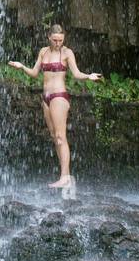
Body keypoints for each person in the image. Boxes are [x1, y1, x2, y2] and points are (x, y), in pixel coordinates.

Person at [8, 24, 102, 188]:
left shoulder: (67, 53)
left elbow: (76, 73)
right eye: (55, 40)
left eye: (61, 40)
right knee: (54, 136)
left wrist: (89, 76)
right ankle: (63, 174)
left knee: (60, 136)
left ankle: (65, 176)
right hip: (45, 97)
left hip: (59, 96)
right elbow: (35, 73)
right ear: (49, 37)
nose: (58, 43)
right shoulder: (43, 51)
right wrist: (22, 66)